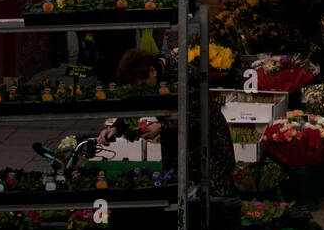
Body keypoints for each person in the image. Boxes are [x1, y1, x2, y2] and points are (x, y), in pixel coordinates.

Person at [98, 47, 235, 195]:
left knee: (207, 200)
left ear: (152, 71)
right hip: (179, 147)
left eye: (142, 86)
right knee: (181, 194)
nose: (141, 91)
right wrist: (114, 129)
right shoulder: (153, 78)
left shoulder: (184, 76)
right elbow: (139, 103)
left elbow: (198, 118)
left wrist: (162, 126)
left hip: (208, 146)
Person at [80, 0, 141, 81]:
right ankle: (126, 82)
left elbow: (85, 0)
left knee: (106, 58)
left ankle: (106, 86)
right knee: (126, 58)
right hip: (125, 24)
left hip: (102, 27)